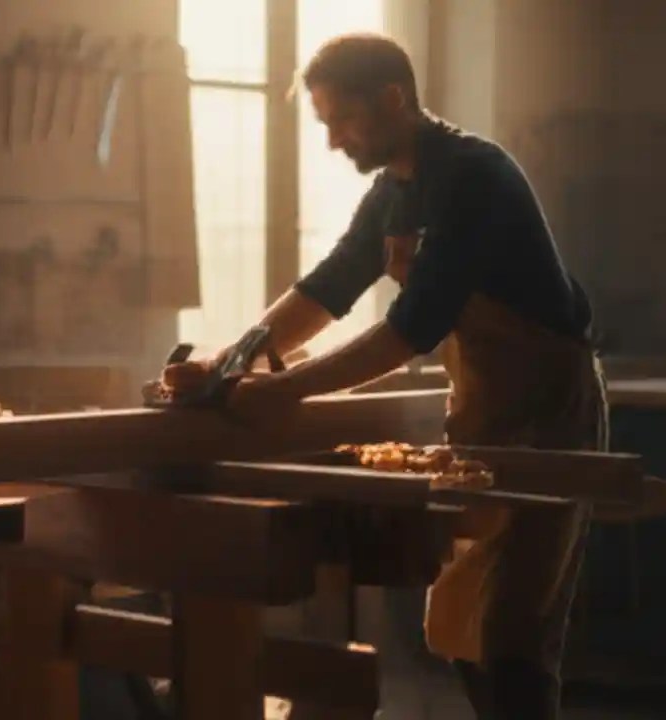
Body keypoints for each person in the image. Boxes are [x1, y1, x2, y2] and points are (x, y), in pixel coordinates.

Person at [162, 33, 607, 720]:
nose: (334, 140)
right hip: (485, 412)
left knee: (514, 635)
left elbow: (411, 329)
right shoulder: (393, 192)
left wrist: (286, 390)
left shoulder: (473, 177)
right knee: (466, 628)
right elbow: (328, 287)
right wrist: (229, 362)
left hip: (550, 412)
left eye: (343, 119)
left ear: (393, 99)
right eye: (325, 123)